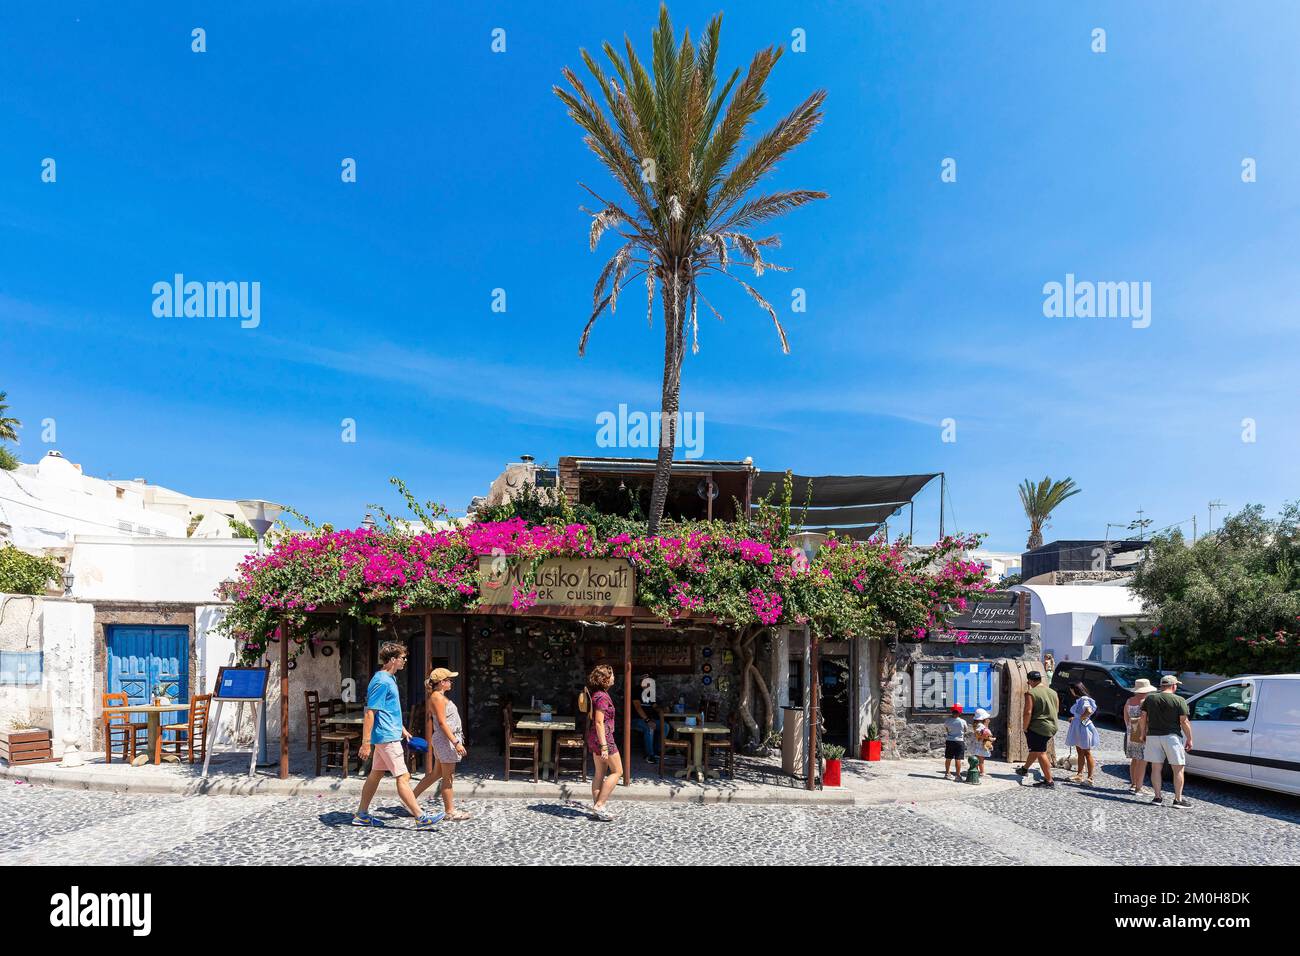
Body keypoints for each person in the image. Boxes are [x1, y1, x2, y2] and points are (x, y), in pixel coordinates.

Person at [353, 641, 443, 829]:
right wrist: (365, 742)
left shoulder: (390, 679)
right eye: (403, 658)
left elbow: (388, 710)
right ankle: (420, 816)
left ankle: (361, 814)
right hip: (386, 737)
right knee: (403, 776)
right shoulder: (381, 681)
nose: (405, 660)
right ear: (392, 660)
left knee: (375, 774)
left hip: (390, 733)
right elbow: (371, 712)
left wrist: (402, 729)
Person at [412, 667, 469, 821]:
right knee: (448, 778)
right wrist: (456, 742)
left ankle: (409, 799)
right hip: (446, 741)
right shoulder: (437, 697)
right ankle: (450, 811)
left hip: (444, 740)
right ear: (442, 682)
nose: (451, 682)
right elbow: (443, 724)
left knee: (436, 774)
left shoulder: (438, 696)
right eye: (449, 679)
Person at [1139, 674, 1194, 807]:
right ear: (1174, 686)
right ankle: (1178, 800)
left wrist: (1142, 734)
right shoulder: (1179, 700)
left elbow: (1143, 718)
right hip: (1172, 737)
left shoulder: (1150, 698)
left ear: (1162, 686)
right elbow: (1184, 721)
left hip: (1153, 736)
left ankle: (1157, 797)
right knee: (1178, 769)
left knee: (1156, 768)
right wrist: (1190, 739)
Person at [584, 664, 622, 822]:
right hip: (603, 738)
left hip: (595, 738)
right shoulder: (602, 697)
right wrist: (605, 745)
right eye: (611, 674)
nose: (614, 677)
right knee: (617, 771)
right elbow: (599, 722)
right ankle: (600, 805)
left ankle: (597, 809)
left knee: (599, 774)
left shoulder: (598, 694)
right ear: (605, 679)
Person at [1014, 670, 1059, 788]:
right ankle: (1024, 769)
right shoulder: (1053, 692)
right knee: (1036, 749)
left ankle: (1049, 781)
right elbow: (1056, 709)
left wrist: (1025, 727)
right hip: (1052, 726)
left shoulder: (1031, 693)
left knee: (1040, 752)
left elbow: (1028, 712)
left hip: (1039, 727)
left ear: (1030, 681)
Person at [1123, 678, 1157, 794]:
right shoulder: (1146, 701)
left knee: (1134, 759)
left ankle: (1133, 783)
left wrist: (1131, 728)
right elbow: (1145, 718)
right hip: (1142, 730)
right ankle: (1139, 786)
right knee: (1142, 760)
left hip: (1131, 730)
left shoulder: (1129, 700)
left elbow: (1126, 718)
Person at [1065, 681, 1100, 786]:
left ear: (1074, 689)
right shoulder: (1081, 699)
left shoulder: (1084, 699)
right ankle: (1079, 774)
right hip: (1079, 727)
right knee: (1080, 751)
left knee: (1086, 752)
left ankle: (1090, 778)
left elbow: (1088, 710)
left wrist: (1080, 718)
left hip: (1083, 728)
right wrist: (1075, 718)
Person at [631, 674, 660, 764]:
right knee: (649, 727)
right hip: (636, 720)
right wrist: (648, 720)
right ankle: (649, 755)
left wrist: (662, 710)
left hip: (649, 719)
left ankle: (656, 751)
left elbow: (655, 706)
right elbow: (638, 707)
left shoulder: (650, 692)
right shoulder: (635, 691)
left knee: (665, 726)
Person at [942, 705, 968, 780]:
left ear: (951, 712)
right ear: (960, 712)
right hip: (959, 741)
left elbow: (947, 729)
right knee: (958, 759)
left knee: (948, 758)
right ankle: (958, 775)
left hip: (950, 740)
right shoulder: (962, 721)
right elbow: (965, 730)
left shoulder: (948, 721)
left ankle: (947, 773)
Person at [969, 707, 994, 782]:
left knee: (977, 759)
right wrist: (989, 738)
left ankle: (975, 770)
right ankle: (982, 773)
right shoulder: (981, 725)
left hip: (977, 744)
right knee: (981, 759)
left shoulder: (977, 724)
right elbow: (980, 733)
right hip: (980, 744)